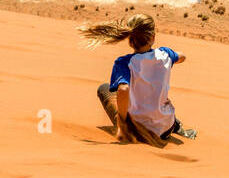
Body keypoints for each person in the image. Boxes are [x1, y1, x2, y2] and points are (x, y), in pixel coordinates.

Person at [79, 15, 194, 146]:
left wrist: (122, 123)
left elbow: (123, 89)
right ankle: (175, 125)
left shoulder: (124, 63)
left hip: (138, 131)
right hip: (166, 128)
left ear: (129, 40)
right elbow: (182, 56)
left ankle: (124, 128)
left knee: (104, 89)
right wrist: (173, 58)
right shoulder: (165, 54)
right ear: (153, 37)